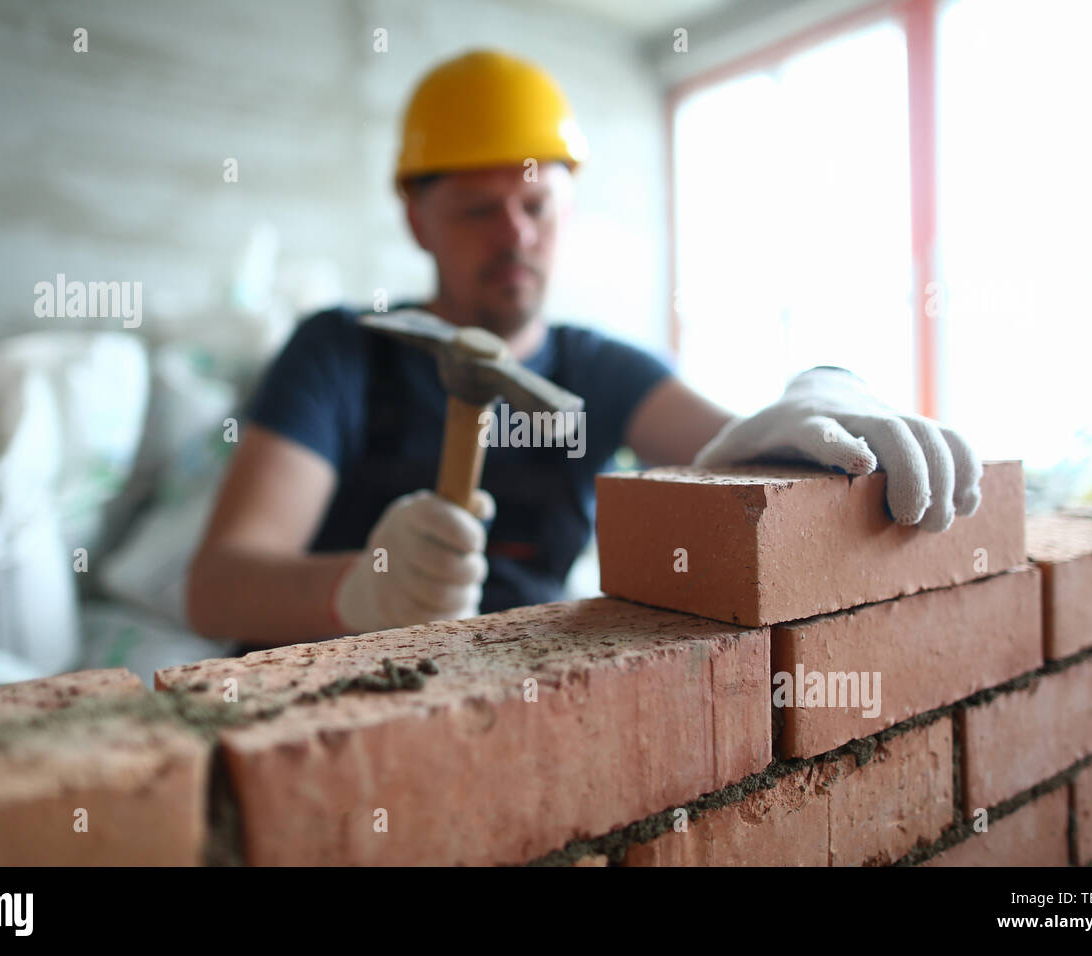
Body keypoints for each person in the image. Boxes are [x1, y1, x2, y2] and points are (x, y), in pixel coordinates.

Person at [185, 49, 981, 650]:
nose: (515, 235)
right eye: (475, 211)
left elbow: (740, 452)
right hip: (319, 700)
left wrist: (818, 393)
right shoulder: (338, 352)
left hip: (513, 697)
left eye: (536, 203)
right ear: (415, 220)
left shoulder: (604, 371)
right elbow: (217, 587)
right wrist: (360, 593)